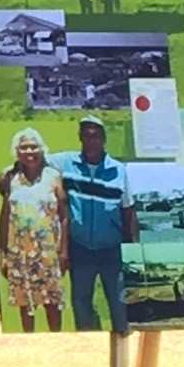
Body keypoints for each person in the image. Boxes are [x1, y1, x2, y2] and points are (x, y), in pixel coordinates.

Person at [54, 115, 133, 332]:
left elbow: (127, 210)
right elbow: (35, 159)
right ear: (80, 138)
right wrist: (11, 170)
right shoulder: (66, 164)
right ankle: (89, 345)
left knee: (119, 302)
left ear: (103, 139)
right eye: (86, 136)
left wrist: (130, 246)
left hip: (111, 250)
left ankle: (122, 343)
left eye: (96, 136)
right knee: (81, 303)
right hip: (80, 249)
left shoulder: (118, 170)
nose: (91, 141)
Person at [0, 128, 67, 333]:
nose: (30, 151)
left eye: (34, 146)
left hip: (48, 252)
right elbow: (5, 217)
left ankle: (56, 342)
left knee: (52, 302)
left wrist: (63, 251)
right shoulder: (9, 177)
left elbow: (64, 216)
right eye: (24, 147)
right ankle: (29, 341)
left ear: (42, 149)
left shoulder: (53, 176)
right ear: (17, 152)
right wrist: (3, 254)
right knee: (25, 303)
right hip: (20, 253)